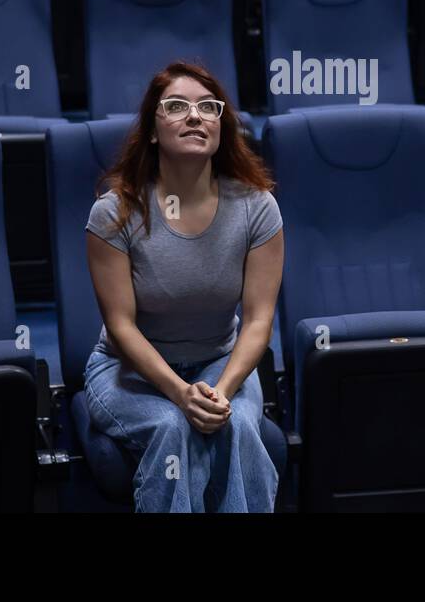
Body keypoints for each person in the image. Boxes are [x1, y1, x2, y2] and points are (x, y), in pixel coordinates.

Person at [82, 61, 284, 512]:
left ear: (221, 127)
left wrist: (222, 392)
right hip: (129, 372)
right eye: (176, 106)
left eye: (208, 108)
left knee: (238, 426)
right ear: (153, 131)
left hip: (220, 362)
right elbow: (120, 325)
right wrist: (179, 393)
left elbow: (257, 322)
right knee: (173, 427)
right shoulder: (115, 211)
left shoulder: (257, 207)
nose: (195, 116)